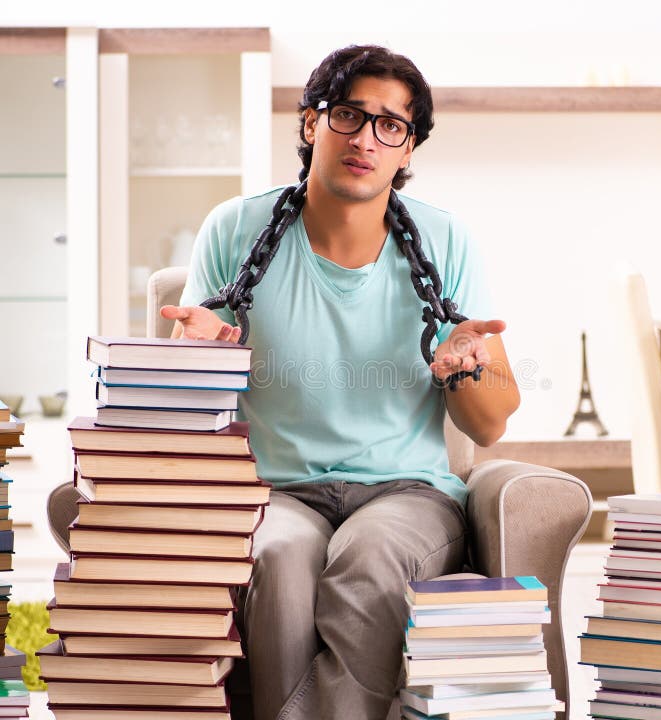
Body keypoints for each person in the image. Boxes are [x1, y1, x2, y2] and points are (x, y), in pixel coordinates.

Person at [161, 44, 520, 720]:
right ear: (309, 124)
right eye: (350, 116)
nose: (367, 140)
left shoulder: (447, 243)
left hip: (406, 493)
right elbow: (189, 411)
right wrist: (194, 356)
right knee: (280, 559)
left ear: (408, 151)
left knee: (370, 558)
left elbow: (491, 425)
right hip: (275, 488)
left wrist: (465, 370)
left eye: (392, 126)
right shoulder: (235, 229)